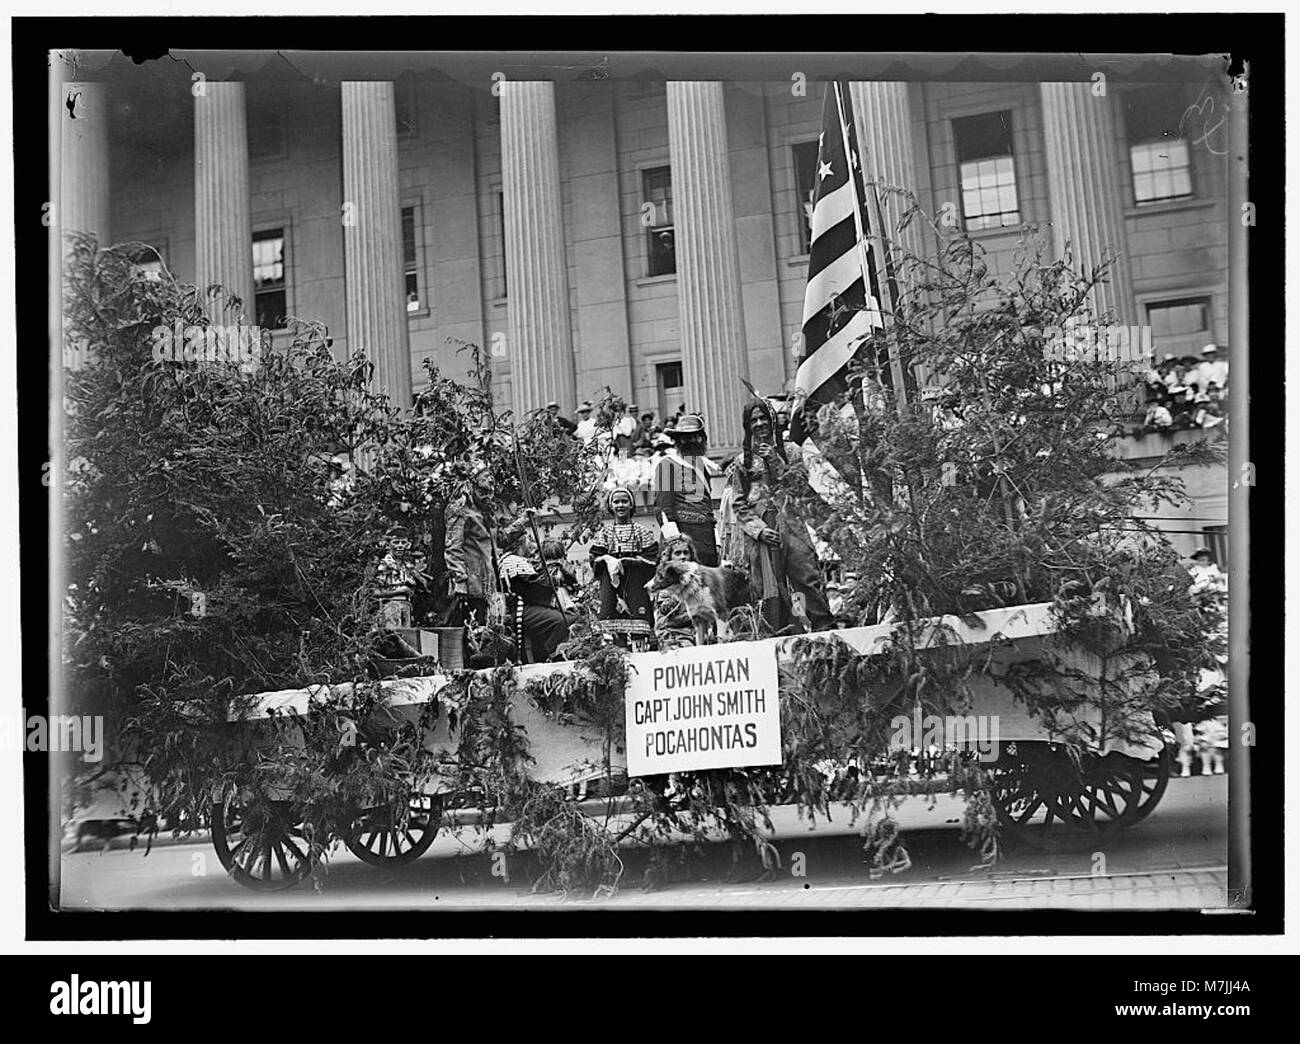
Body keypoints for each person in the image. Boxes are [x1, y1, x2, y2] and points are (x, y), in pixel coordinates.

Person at [729, 399, 834, 634]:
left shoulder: (791, 451)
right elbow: (739, 502)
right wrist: (758, 529)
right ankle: (779, 633)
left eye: (763, 418)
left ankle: (822, 627)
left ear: (772, 420)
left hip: (791, 522)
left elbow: (800, 486)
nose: (759, 424)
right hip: (761, 533)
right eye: (753, 420)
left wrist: (774, 460)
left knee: (806, 578)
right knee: (767, 589)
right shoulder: (742, 461)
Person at [589, 486, 659, 644]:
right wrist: (608, 560)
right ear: (611, 506)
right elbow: (595, 557)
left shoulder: (642, 532)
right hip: (611, 583)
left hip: (635, 582)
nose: (620, 505)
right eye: (616, 502)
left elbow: (653, 557)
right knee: (612, 617)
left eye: (624, 501)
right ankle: (617, 652)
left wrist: (629, 561)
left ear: (631, 504)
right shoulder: (604, 533)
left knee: (638, 617)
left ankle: (641, 650)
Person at [654, 412, 721, 566]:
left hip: (706, 539)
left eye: (695, 436)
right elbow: (663, 508)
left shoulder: (702, 466)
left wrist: (715, 540)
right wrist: (676, 542)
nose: (691, 441)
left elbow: (707, 506)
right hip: (682, 539)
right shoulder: (667, 464)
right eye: (685, 437)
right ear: (678, 440)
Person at [496, 526, 571, 662]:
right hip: (520, 609)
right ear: (521, 542)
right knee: (566, 620)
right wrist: (554, 581)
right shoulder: (513, 561)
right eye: (527, 541)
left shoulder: (513, 560)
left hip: (526, 606)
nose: (530, 545)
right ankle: (552, 651)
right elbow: (531, 590)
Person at [652, 534, 703, 650]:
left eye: (686, 553)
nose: (683, 557)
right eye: (678, 553)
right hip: (673, 635)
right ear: (670, 558)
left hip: (696, 634)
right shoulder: (666, 582)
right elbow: (667, 613)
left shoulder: (698, 579)